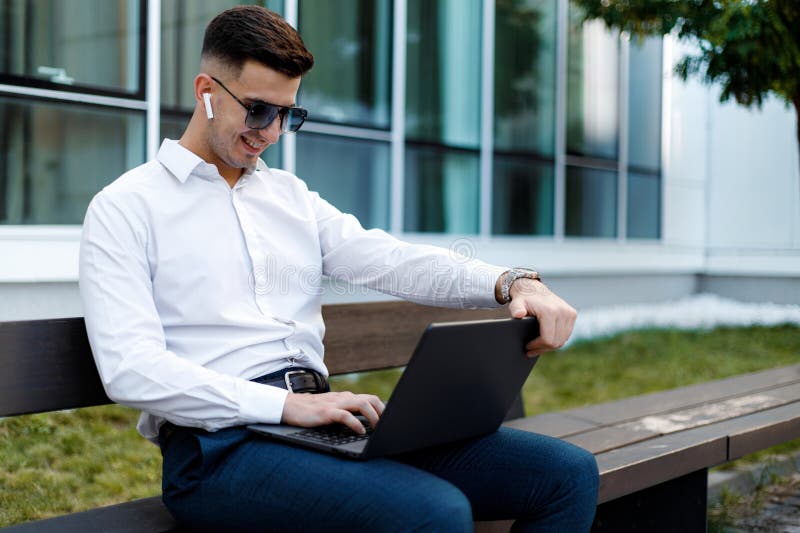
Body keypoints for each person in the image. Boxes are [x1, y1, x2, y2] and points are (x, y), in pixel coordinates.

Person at [79, 5, 598, 532]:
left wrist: (511, 281)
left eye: (288, 115)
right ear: (206, 90)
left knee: (566, 474)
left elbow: (392, 260)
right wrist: (283, 406)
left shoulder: (291, 198)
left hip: (325, 421)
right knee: (433, 512)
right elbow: (131, 368)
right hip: (220, 449)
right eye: (258, 111)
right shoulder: (127, 207)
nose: (273, 133)